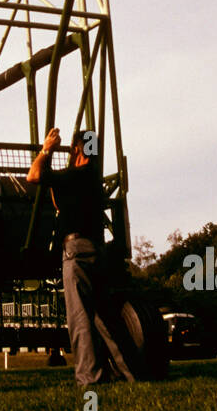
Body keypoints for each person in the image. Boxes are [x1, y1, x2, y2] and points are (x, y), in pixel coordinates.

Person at [27, 127, 139, 387]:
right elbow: (60, 199)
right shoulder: (92, 180)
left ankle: (89, 378)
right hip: (97, 250)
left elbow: (33, 176)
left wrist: (46, 150)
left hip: (76, 251)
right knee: (105, 318)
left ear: (78, 150)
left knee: (80, 319)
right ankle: (131, 373)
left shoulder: (74, 175)